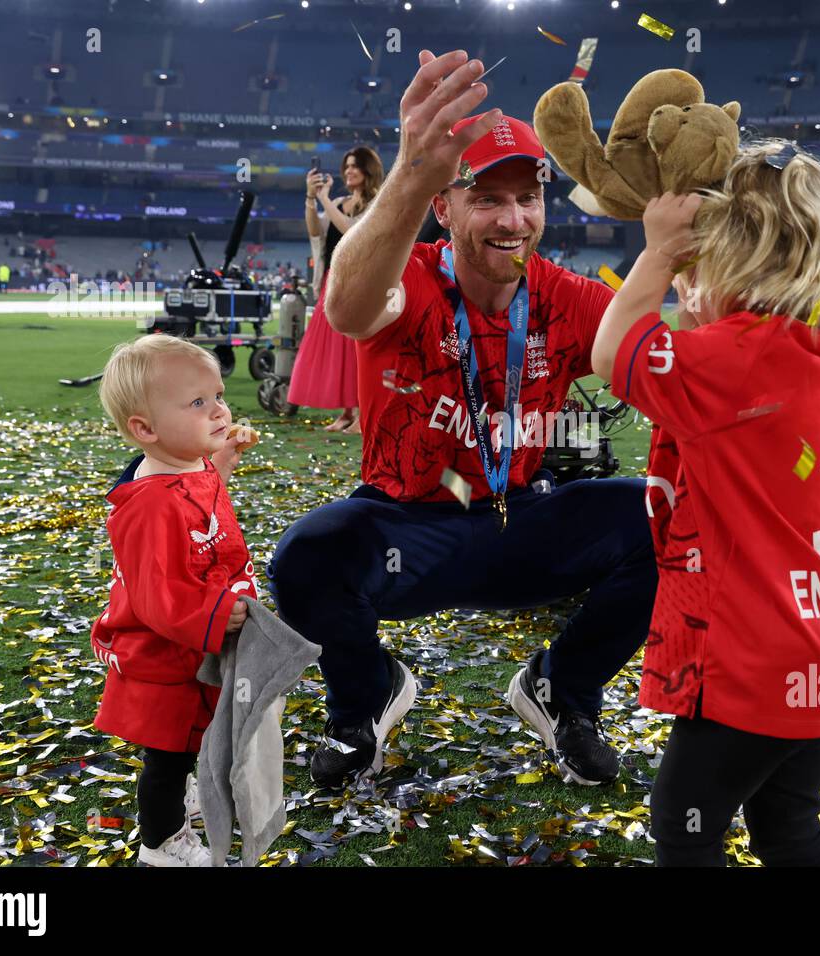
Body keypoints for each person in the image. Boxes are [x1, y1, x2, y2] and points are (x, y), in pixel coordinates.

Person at [266, 49, 657, 792]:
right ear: (442, 207)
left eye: (527, 198)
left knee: (667, 513)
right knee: (307, 559)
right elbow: (346, 308)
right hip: (410, 530)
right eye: (486, 198)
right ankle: (365, 700)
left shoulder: (567, 296)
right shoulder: (407, 277)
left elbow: (681, 379)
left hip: (524, 523)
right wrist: (414, 165)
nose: (513, 220)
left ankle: (562, 689)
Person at [590, 142, 820, 867]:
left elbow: (612, 350)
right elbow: (777, 445)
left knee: (685, 830)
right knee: (788, 827)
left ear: (734, 253)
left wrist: (655, 254)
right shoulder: (812, 343)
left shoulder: (731, 357)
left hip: (755, 655)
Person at [91, 334, 257, 866]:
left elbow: (203, 505)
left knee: (195, 739)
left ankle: (183, 794)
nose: (219, 410)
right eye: (197, 403)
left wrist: (223, 459)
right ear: (145, 429)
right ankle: (161, 844)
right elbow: (157, 597)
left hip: (194, 650)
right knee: (167, 757)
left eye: (218, 395)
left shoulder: (184, 464)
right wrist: (213, 616)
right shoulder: (149, 508)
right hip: (164, 658)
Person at [289, 148, 385, 434]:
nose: (349, 172)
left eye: (355, 166)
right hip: (333, 280)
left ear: (369, 170)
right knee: (338, 349)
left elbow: (352, 230)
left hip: (359, 280)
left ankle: (363, 413)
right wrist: (310, 197)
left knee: (357, 348)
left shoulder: (377, 202)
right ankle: (347, 411)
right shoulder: (339, 202)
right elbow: (316, 232)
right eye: (347, 166)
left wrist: (323, 199)